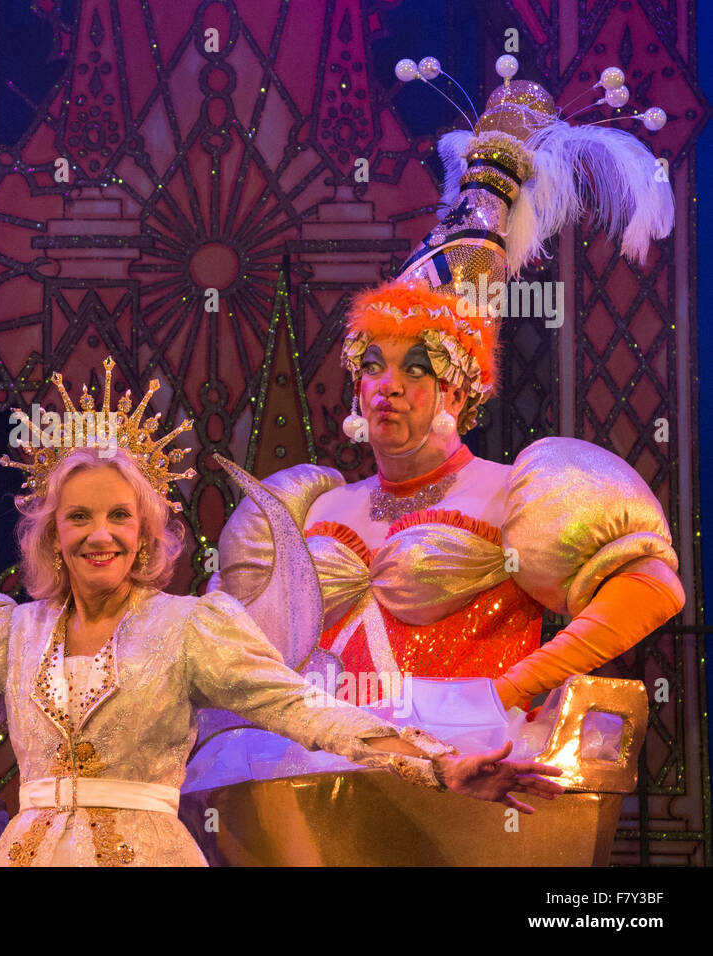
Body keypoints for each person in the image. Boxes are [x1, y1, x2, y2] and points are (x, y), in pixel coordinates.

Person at [0, 357, 563, 866]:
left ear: (148, 532)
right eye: (79, 517)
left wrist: (437, 762)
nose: (100, 534)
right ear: (53, 533)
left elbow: (308, 712)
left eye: (120, 516)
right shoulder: (11, 633)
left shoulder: (188, 629)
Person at [212, 64, 685, 711]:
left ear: (459, 392)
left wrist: (510, 694)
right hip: (323, 781)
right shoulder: (313, 509)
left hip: (460, 786)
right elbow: (233, 646)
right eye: (374, 363)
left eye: (417, 368)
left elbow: (653, 586)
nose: (388, 386)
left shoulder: (513, 493)